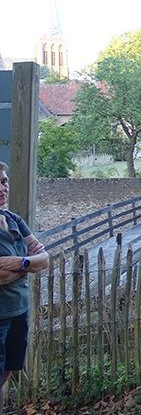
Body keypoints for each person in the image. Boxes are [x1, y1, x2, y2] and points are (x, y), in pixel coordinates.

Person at [0, 162, 49, 415]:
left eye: (4, 182)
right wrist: (27, 266)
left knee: (6, 374)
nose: (2, 188)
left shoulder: (13, 220)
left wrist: (19, 263)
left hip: (18, 310)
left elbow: (45, 260)